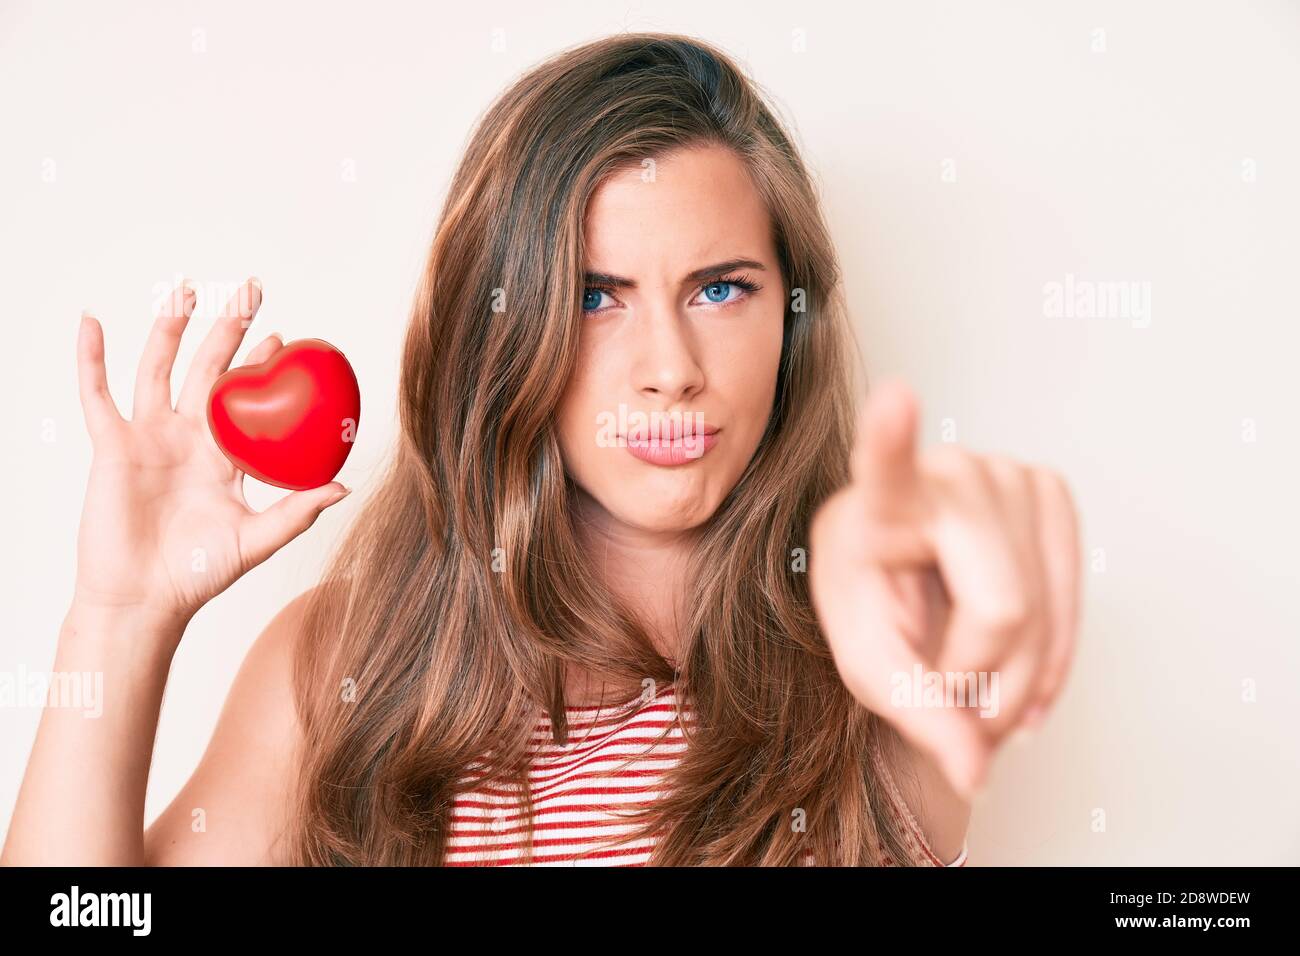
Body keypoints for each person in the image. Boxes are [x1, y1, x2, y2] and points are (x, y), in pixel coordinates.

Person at [2, 33, 1079, 867]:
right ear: (502, 325)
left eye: (720, 288)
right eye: (595, 296)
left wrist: (966, 582)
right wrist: (120, 618)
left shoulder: (868, 664)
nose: (670, 366)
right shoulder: (340, 665)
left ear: (790, 318)